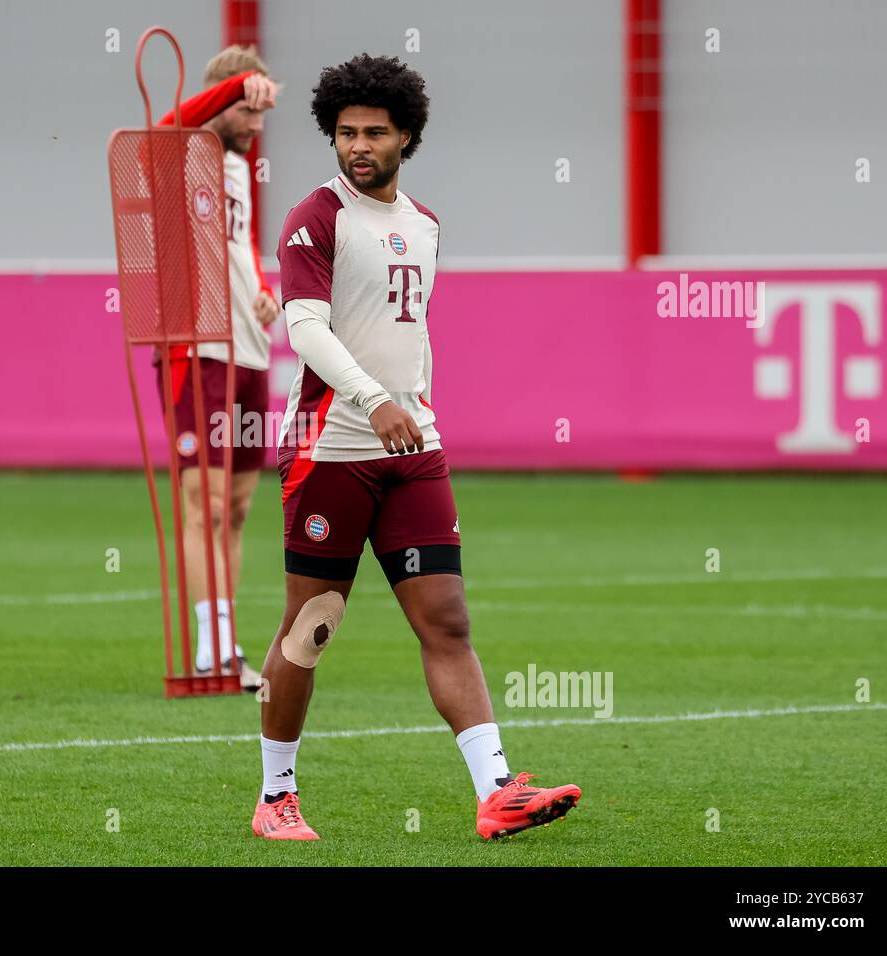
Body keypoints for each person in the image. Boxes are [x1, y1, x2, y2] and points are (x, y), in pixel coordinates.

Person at [251, 54, 581, 840]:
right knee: (313, 626)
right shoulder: (314, 217)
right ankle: (275, 798)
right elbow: (304, 328)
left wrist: (413, 408)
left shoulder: (425, 224)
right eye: (344, 132)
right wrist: (371, 400)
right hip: (333, 449)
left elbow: (409, 334)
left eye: (374, 132)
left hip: (415, 449)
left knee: (448, 620)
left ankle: (497, 792)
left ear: (407, 135)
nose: (357, 145)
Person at [152, 47, 281, 691]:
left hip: (249, 347)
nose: (258, 122)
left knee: (234, 507)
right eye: (248, 108)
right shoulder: (181, 157)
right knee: (200, 501)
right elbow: (172, 119)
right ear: (222, 100)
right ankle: (213, 648)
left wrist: (261, 290)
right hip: (194, 345)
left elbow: (242, 244)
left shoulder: (236, 167)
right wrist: (236, 85)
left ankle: (225, 646)